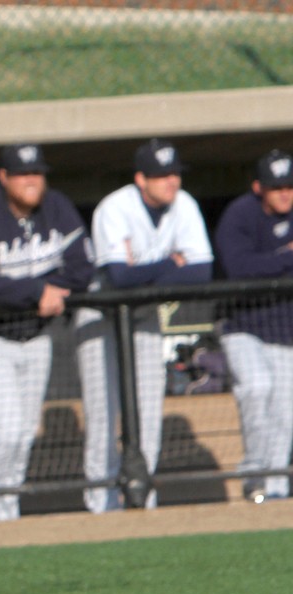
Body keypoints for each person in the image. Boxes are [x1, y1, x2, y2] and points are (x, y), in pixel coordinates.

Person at [0, 144, 94, 523]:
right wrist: (38, 292)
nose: (32, 180)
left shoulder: (57, 207)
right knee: (6, 430)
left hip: (36, 337)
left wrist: (51, 290)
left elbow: (82, 267)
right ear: (4, 177)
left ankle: (6, 514)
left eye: (37, 173)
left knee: (25, 433)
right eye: (22, 174)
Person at [77, 138, 213, 513]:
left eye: (174, 174)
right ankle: (101, 504)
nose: (171, 181)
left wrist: (148, 274)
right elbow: (119, 277)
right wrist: (173, 263)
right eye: (161, 175)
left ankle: (144, 502)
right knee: (103, 413)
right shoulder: (115, 207)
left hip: (144, 313)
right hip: (100, 314)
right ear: (141, 179)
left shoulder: (184, 205)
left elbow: (201, 272)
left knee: (148, 409)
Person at [213, 148, 293, 504]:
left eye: (290, 186)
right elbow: (238, 267)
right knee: (257, 388)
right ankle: (253, 474)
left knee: (286, 411)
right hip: (241, 324)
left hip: (285, 329)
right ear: (258, 187)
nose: (285, 193)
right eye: (277, 187)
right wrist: (285, 258)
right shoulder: (240, 214)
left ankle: (274, 490)